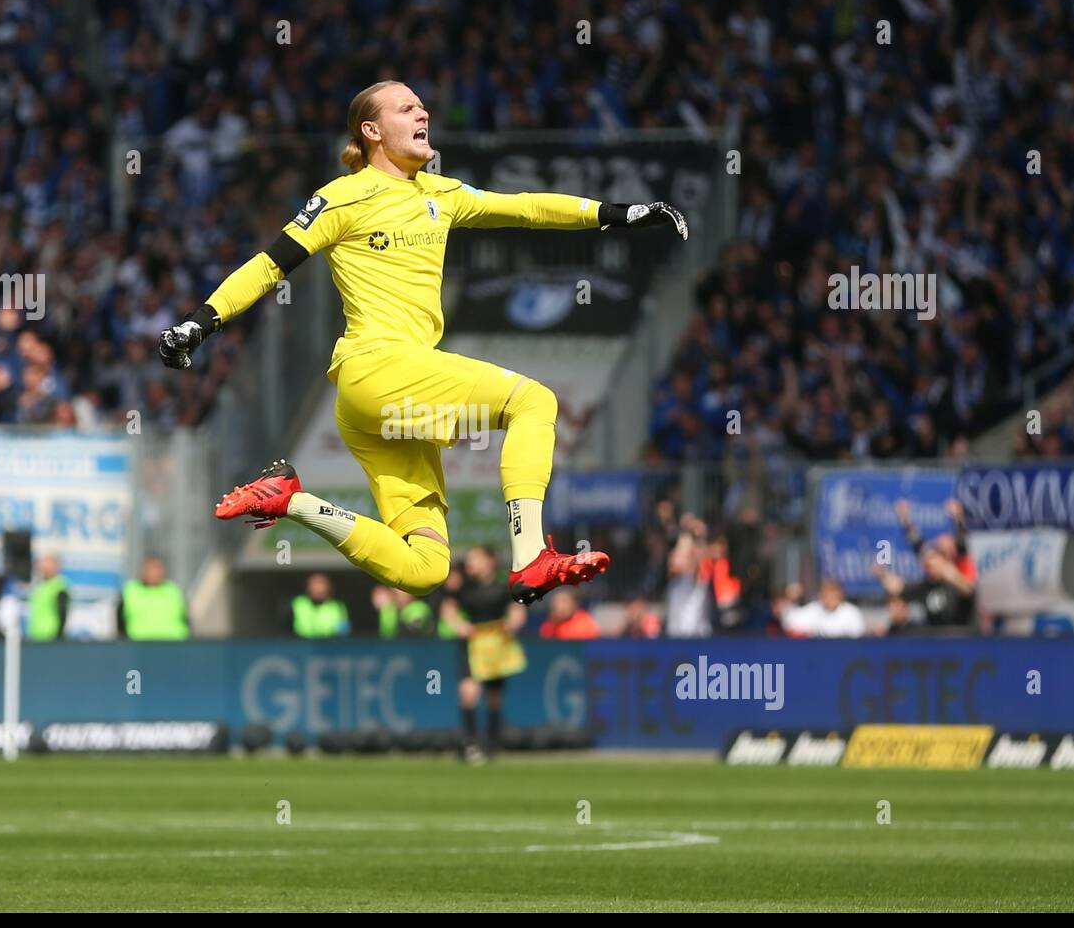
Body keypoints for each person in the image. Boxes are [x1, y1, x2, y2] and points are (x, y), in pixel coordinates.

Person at [158, 81, 688, 606]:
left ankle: (293, 501)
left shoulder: (442, 193)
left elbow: (526, 207)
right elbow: (271, 265)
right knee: (534, 401)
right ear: (371, 130)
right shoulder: (341, 197)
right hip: (378, 368)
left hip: (373, 406)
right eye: (406, 107)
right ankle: (529, 555)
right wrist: (200, 322)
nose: (423, 112)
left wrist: (615, 214)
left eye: (422, 104)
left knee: (425, 569)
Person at [440, 546, 527, 762]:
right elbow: (448, 609)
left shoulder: (503, 587)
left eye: (476, 558)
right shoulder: (462, 587)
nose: (471, 563)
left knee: (494, 695)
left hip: (497, 643)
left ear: (490, 561)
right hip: (472, 643)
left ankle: (493, 741)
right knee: (468, 690)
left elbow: (517, 610)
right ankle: (470, 741)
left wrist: (512, 624)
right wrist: (459, 626)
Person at [117, 556, 190, 640]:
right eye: (151, 569)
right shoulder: (130, 591)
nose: (154, 573)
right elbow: (120, 622)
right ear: (143, 571)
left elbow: (186, 619)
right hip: (139, 646)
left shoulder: (173, 590)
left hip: (173, 645)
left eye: (157, 568)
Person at [781, 578, 866, 638]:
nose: (829, 598)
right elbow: (790, 622)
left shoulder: (852, 613)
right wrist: (791, 600)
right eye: (825, 595)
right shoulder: (814, 609)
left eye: (833, 594)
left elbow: (857, 635)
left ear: (841, 595)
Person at [290, 573, 351, 638]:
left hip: (330, 644)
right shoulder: (298, 603)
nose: (318, 587)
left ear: (329, 586)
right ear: (308, 586)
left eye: (322, 583)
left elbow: (344, 632)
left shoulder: (338, 606)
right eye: (315, 583)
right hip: (300, 644)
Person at [27, 554, 70, 642]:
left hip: (50, 638)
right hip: (35, 636)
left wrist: (59, 636)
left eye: (47, 564)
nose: (43, 567)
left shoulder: (60, 586)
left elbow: (63, 613)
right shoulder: (40, 586)